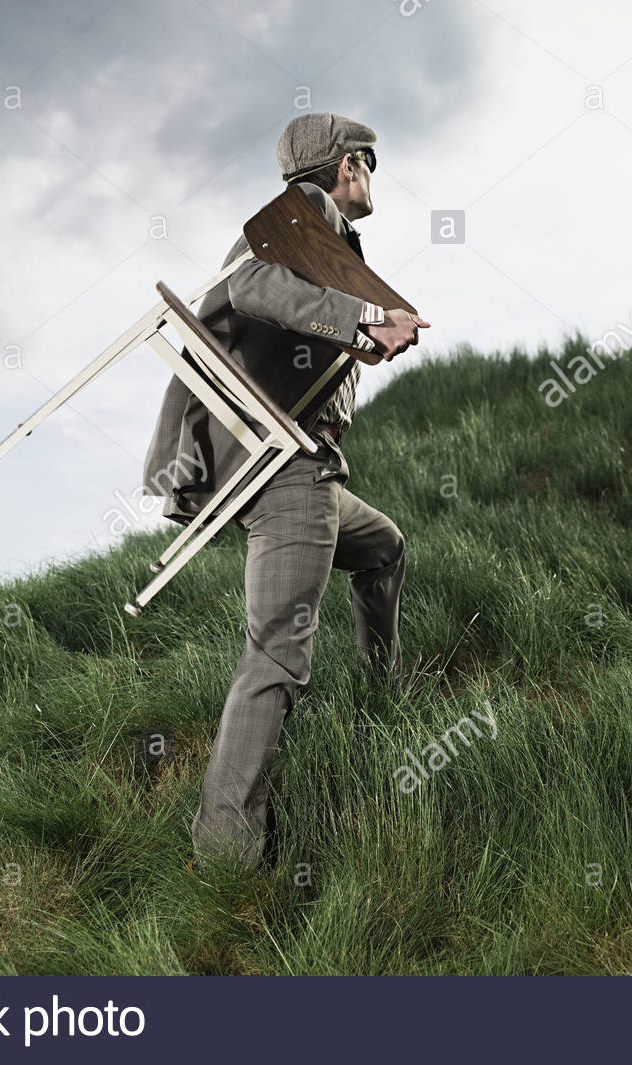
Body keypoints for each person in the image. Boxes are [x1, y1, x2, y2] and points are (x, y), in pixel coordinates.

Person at [140, 112, 430, 871]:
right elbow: (251, 283)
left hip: (316, 469)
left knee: (385, 549)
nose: (372, 172)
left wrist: (364, 335)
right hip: (285, 473)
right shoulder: (292, 222)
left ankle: (379, 696)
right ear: (343, 164)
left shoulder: (326, 237)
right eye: (368, 158)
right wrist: (365, 318)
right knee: (276, 656)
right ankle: (225, 855)